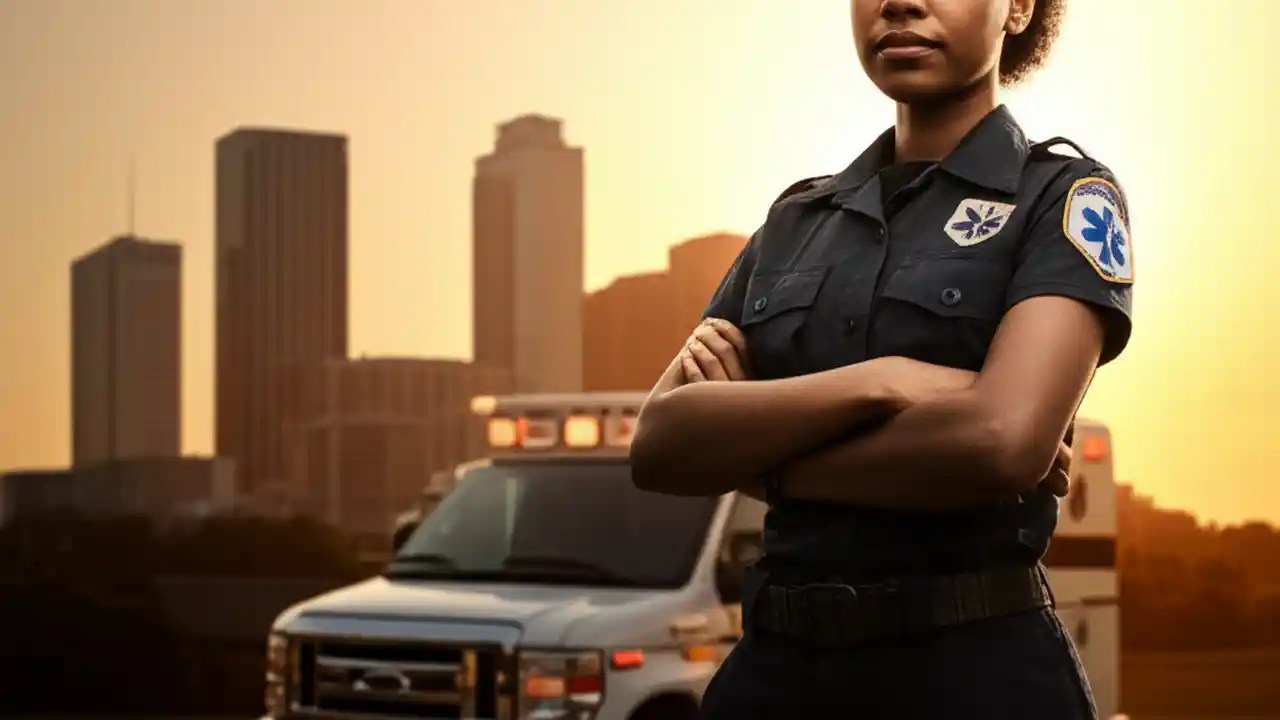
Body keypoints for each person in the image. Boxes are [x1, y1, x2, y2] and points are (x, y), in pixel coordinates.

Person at [629, 0, 1132, 717]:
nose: (899, 1)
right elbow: (659, 447)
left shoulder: (1062, 197)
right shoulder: (795, 223)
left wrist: (756, 456)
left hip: (972, 672)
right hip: (773, 679)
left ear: (1018, 8)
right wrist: (885, 383)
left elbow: (1000, 442)